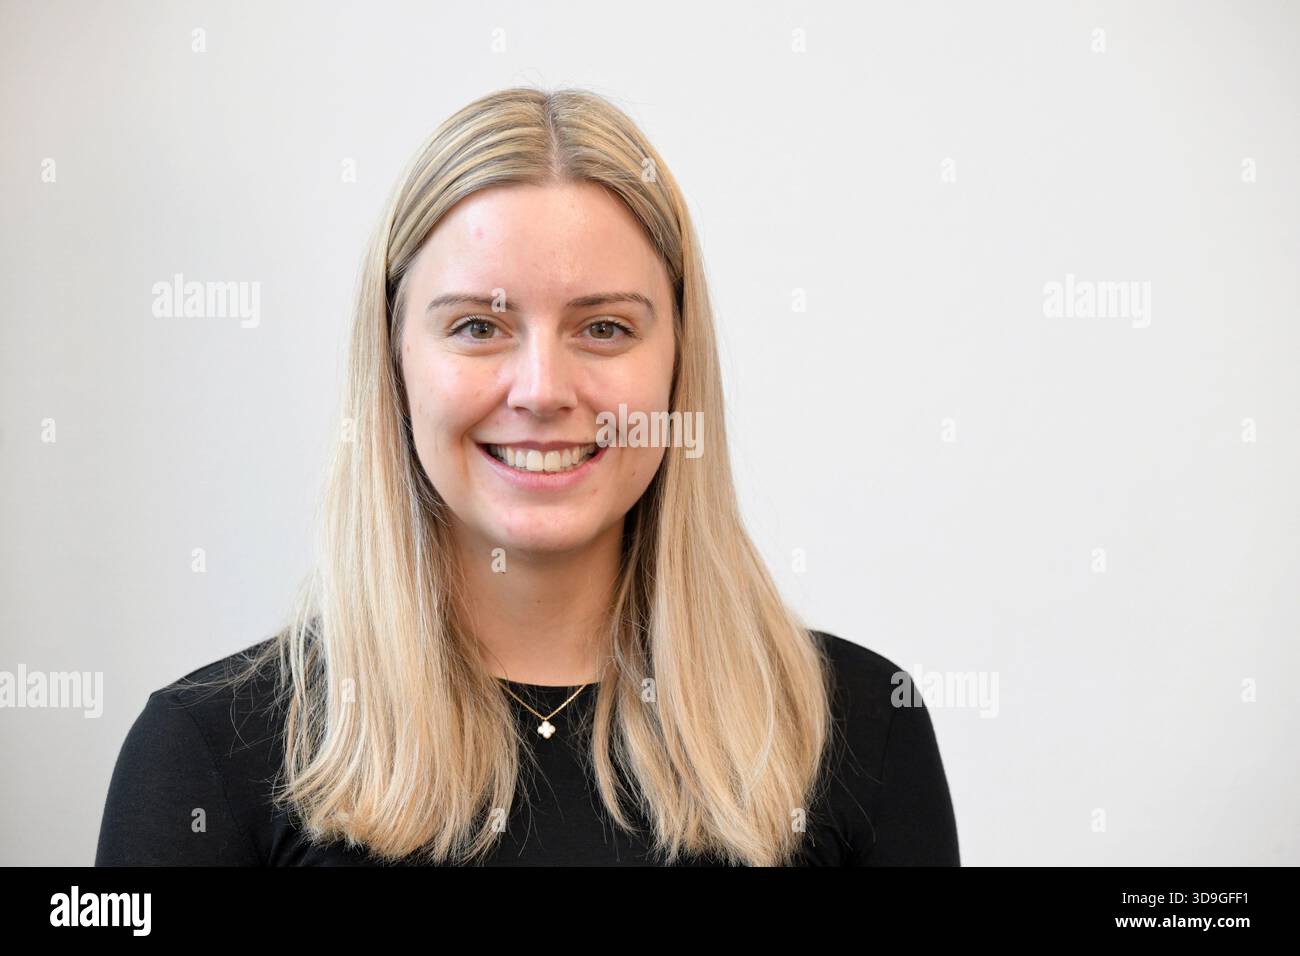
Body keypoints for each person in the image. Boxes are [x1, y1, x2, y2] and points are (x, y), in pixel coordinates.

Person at [94, 87, 959, 867]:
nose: (543, 390)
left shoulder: (857, 729)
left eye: (605, 329)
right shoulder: (205, 753)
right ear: (393, 363)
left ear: (678, 365)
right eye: (477, 327)